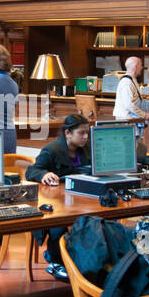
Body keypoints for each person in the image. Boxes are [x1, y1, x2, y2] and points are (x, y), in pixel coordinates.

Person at [26, 113, 92, 279]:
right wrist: (44, 174)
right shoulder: (52, 150)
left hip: (80, 201)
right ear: (68, 133)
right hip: (56, 203)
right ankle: (57, 261)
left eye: (87, 133)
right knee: (58, 224)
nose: (85, 137)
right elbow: (32, 170)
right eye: (81, 133)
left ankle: (84, 261)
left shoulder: (87, 149)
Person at [113, 56, 149, 123]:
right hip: (124, 119)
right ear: (136, 67)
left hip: (130, 118)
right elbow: (129, 105)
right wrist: (144, 115)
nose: (142, 68)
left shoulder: (132, 80)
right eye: (141, 65)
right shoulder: (126, 83)